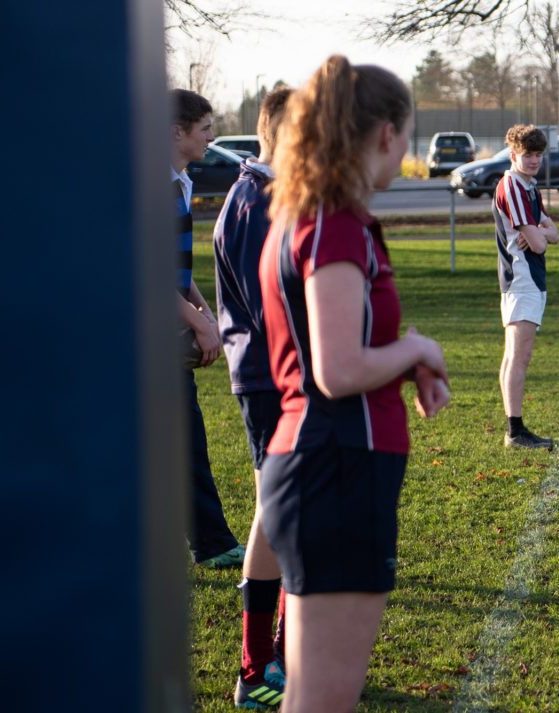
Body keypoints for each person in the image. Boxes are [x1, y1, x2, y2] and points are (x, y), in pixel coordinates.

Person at [259, 55, 450, 713]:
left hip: (322, 465)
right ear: (386, 133)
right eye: (408, 134)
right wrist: (418, 347)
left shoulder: (307, 215)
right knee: (324, 699)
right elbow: (336, 370)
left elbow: (335, 347)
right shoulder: (333, 222)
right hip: (336, 468)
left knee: (309, 696)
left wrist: (403, 360)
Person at [212, 87, 292, 708]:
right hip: (270, 377)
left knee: (294, 509)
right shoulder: (253, 201)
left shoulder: (272, 194)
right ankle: (256, 667)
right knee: (276, 506)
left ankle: (287, 655)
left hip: (284, 373)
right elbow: (272, 306)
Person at [171, 88, 245, 567]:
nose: (212, 137)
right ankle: (212, 545)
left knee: (184, 438)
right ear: (176, 131)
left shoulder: (179, 180)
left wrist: (201, 308)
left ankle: (211, 543)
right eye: (205, 128)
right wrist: (197, 323)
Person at [494, 124, 559, 449]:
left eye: (538, 155)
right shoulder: (513, 187)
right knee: (518, 357)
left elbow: (553, 234)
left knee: (514, 357)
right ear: (513, 155)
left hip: (527, 279)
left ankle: (515, 429)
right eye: (527, 154)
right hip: (522, 280)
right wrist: (539, 233)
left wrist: (539, 231)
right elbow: (540, 244)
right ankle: (515, 431)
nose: (534, 160)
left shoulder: (530, 187)